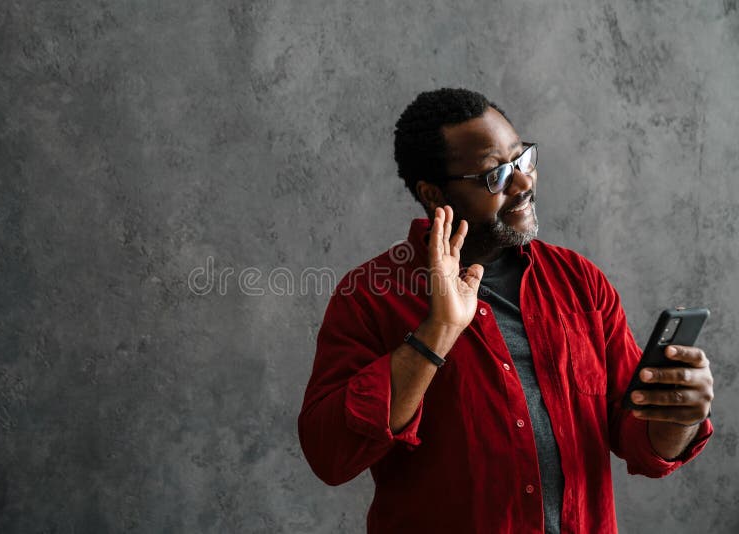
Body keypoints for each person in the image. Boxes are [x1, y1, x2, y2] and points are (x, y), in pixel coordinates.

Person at [297, 88, 714, 533]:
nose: (523, 183)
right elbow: (330, 456)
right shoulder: (370, 296)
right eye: (495, 176)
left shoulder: (580, 283)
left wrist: (680, 417)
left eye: (523, 159)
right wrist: (438, 330)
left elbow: (640, 442)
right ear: (434, 193)